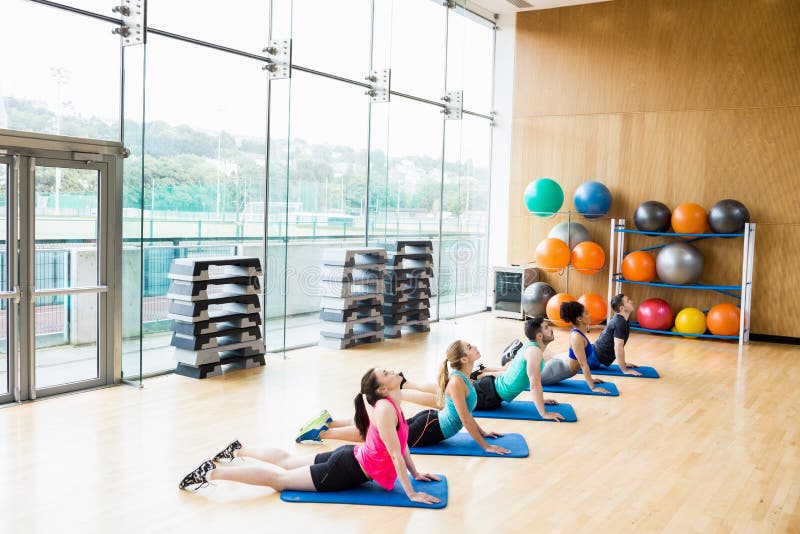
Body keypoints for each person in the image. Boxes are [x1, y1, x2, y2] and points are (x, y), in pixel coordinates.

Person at [178, 368, 441, 505]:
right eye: (386, 373)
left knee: (288, 461)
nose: (393, 371)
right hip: (346, 469)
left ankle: (238, 451)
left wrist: (415, 474)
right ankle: (210, 473)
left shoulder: (391, 404)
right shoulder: (385, 409)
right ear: (383, 389)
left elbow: (402, 444)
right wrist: (411, 493)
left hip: (348, 459)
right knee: (279, 480)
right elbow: (395, 454)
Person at [297, 341, 510, 455]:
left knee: (381, 427)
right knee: (378, 435)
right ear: (464, 358)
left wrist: (484, 432)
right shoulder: (456, 382)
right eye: (470, 347)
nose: (475, 347)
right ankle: (325, 432)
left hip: (431, 421)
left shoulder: (461, 378)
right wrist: (486, 446)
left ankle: (330, 422)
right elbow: (464, 419)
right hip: (430, 427)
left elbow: (466, 415)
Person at [471, 316, 565, 421]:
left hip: (490, 389)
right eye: (547, 327)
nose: (551, 329)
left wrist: (541, 400)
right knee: (457, 403)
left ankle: (476, 374)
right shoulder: (534, 351)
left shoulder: (531, 346)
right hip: (487, 394)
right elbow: (534, 384)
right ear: (539, 335)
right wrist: (543, 413)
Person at [559, 301, 610, 394]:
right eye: (586, 313)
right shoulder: (577, 337)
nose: (589, 315)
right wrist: (593, 387)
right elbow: (583, 364)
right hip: (558, 372)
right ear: (579, 318)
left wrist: (591, 379)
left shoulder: (580, 333)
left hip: (562, 367)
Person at [592, 293, 640, 375]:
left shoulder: (622, 320)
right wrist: (624, 370)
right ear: (622, 308)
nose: (631, 302)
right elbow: (618, 347)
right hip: (590, 358)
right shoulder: (620, 322)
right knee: (567, 363)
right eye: (628, 301)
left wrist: (623, 363)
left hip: (593, 354)